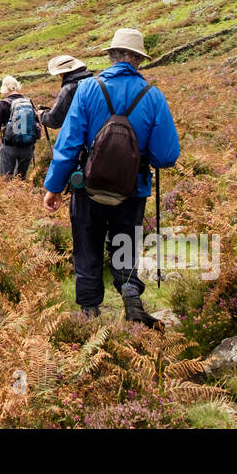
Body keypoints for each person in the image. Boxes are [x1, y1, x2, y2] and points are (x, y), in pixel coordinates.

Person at [41, 28, 180, 328]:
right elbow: (167, 156)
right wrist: (138, 156)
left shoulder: (89, 89)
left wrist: (53, 187)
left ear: (112, 56)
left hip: (87, 189)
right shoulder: (153, 96)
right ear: (138, 60)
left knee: (87, 247)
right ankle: (131, 299)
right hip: (132, 190)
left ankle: (89, 317)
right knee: (124, 246)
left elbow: (68, 144)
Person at [0, 76, 43, 178]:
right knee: (21, 177)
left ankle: (9, 193)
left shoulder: (3, 104)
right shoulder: (27, 101)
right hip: (28, 145)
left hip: (10, 146)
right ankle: (22, 193)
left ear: (4, 88)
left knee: (6, 177)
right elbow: (37, 122)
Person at [39, 55, 92, 131]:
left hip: (82, 134)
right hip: (104, 131)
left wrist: (42, 115)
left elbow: (54, 120)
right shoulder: (95, 82)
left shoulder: (68, 89)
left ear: (62, 73)